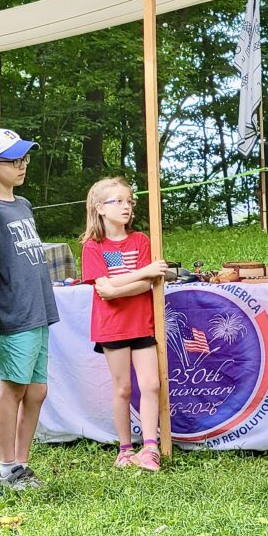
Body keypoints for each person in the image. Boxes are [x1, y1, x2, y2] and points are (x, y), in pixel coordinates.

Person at [0, 128, 59, 491]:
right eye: (14, 160)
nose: (23, 165)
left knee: (37, 392)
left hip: (38, 311)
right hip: (14, 315)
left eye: (25, 158)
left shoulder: (23, 205)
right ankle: (6, 465)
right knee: (13, 388)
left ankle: (21, 464)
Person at [79, 177, 168, 471]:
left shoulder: (141, 240)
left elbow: (147, 286)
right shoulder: (93, 246)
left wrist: (117, 288)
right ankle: (125, 448)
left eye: (129, 201)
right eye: (117, 201)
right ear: (99, 208)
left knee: (151, 384)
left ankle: (150, 447)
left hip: (142, 324)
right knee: (123, 388)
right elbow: (104, 287)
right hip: (111, 328)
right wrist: (142, 273)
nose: (126, 206)